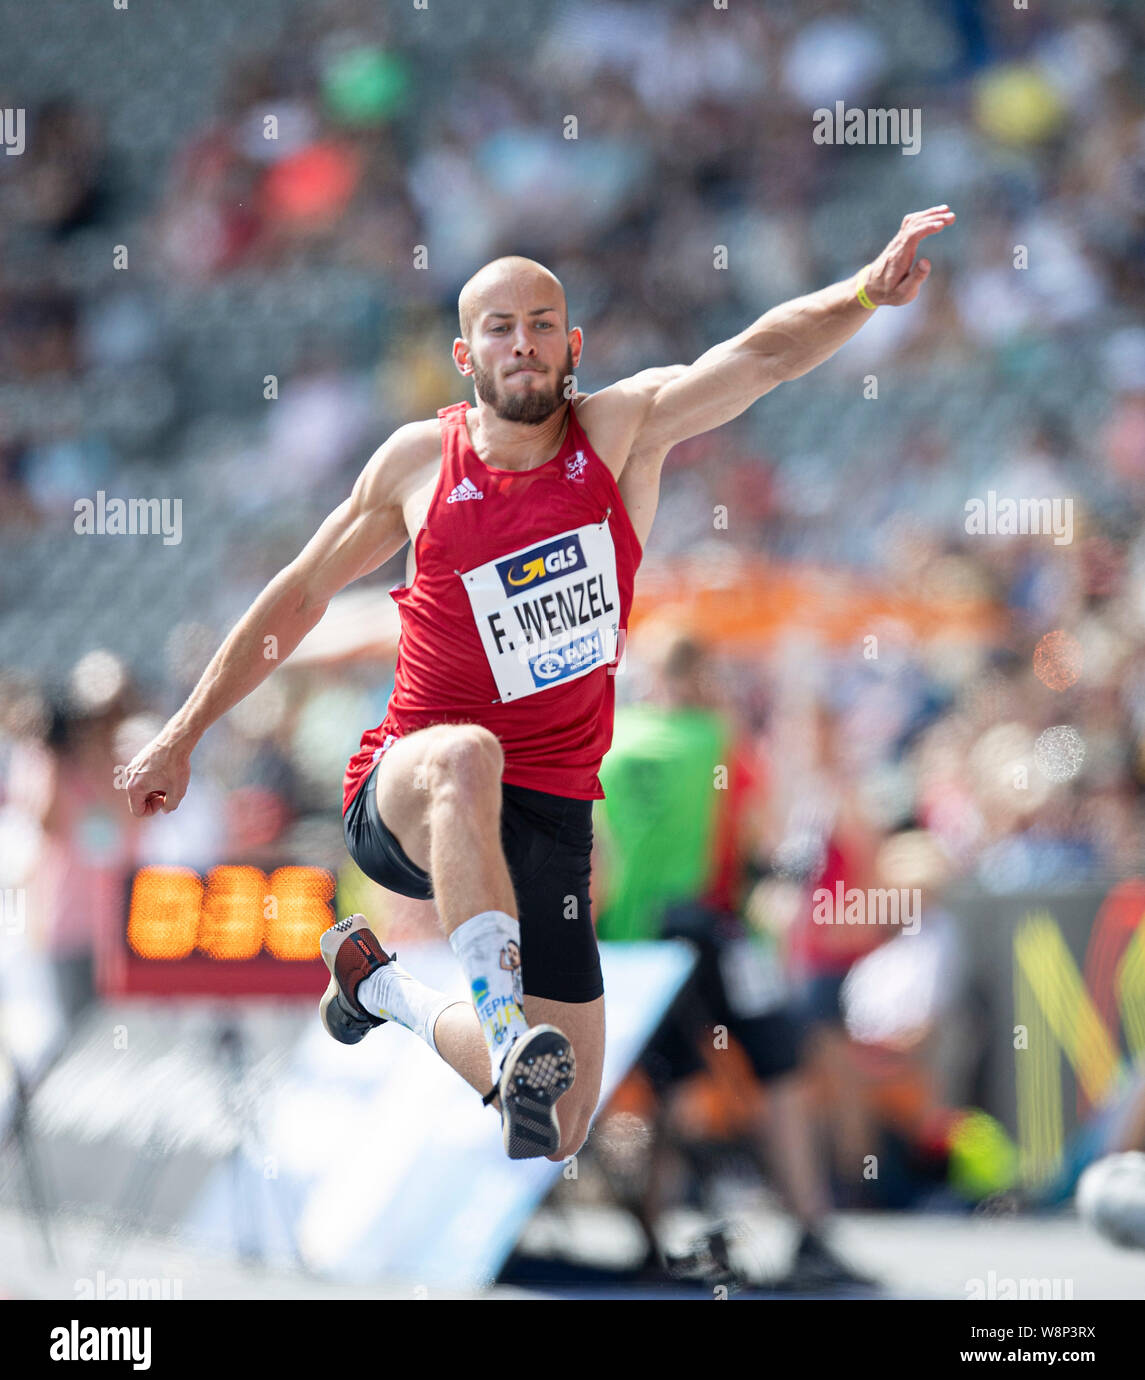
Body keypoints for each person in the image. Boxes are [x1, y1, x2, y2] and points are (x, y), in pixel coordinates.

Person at [123, 207, 955, 1160]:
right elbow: (300, 595)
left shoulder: (620, 432)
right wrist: (183, 732)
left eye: (542, 325)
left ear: (573, 344)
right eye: (500, 327)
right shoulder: (414, 463)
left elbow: (760, 355)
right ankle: (506, 1027)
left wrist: (861, 293)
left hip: (551, 814)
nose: (523, 343)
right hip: (408, 789)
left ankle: (377, 984)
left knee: (560, 1128)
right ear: (463, 353)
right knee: (465, 757)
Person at [594, 630, 873, 1287]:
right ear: (703, 676)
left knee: (663, 1082)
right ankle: (808, 1226)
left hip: (630, 943)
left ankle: (652, 1237)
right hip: (708, 929)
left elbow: (596, 862)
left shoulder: (608, 743)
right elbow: (763, 836)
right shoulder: (718, 742)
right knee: (779, 1067)